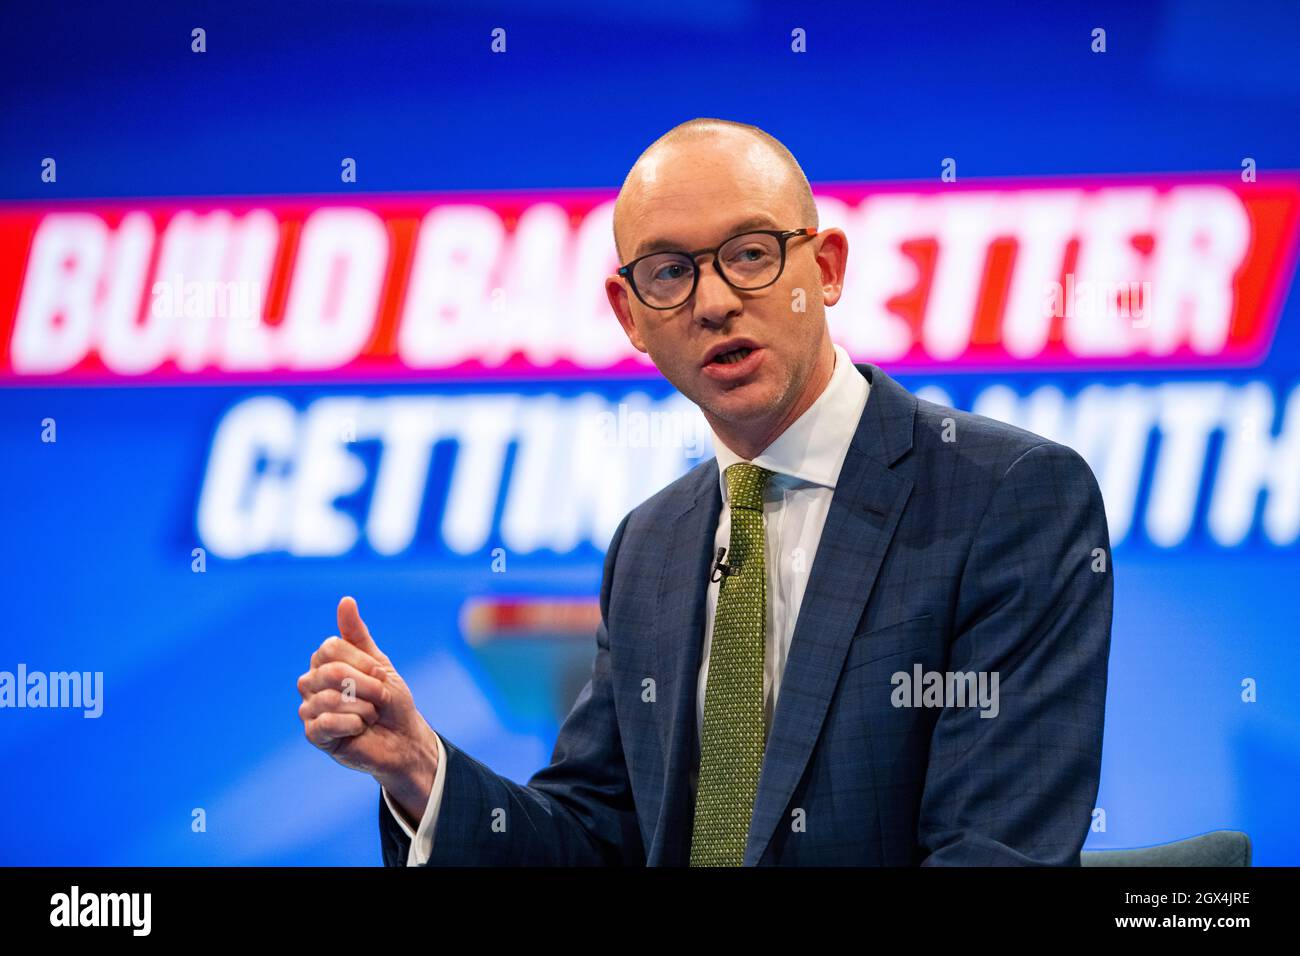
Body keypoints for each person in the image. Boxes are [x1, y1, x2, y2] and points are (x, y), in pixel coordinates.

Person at [297, 117, 1113, 866]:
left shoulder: (1006, 497)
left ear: (825, 269)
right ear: (631, 315)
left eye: (751, 253)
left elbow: (994, 853)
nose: (716, 301)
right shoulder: (651, 546)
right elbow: (595, 837)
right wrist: (418, 768)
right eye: (669, 273)